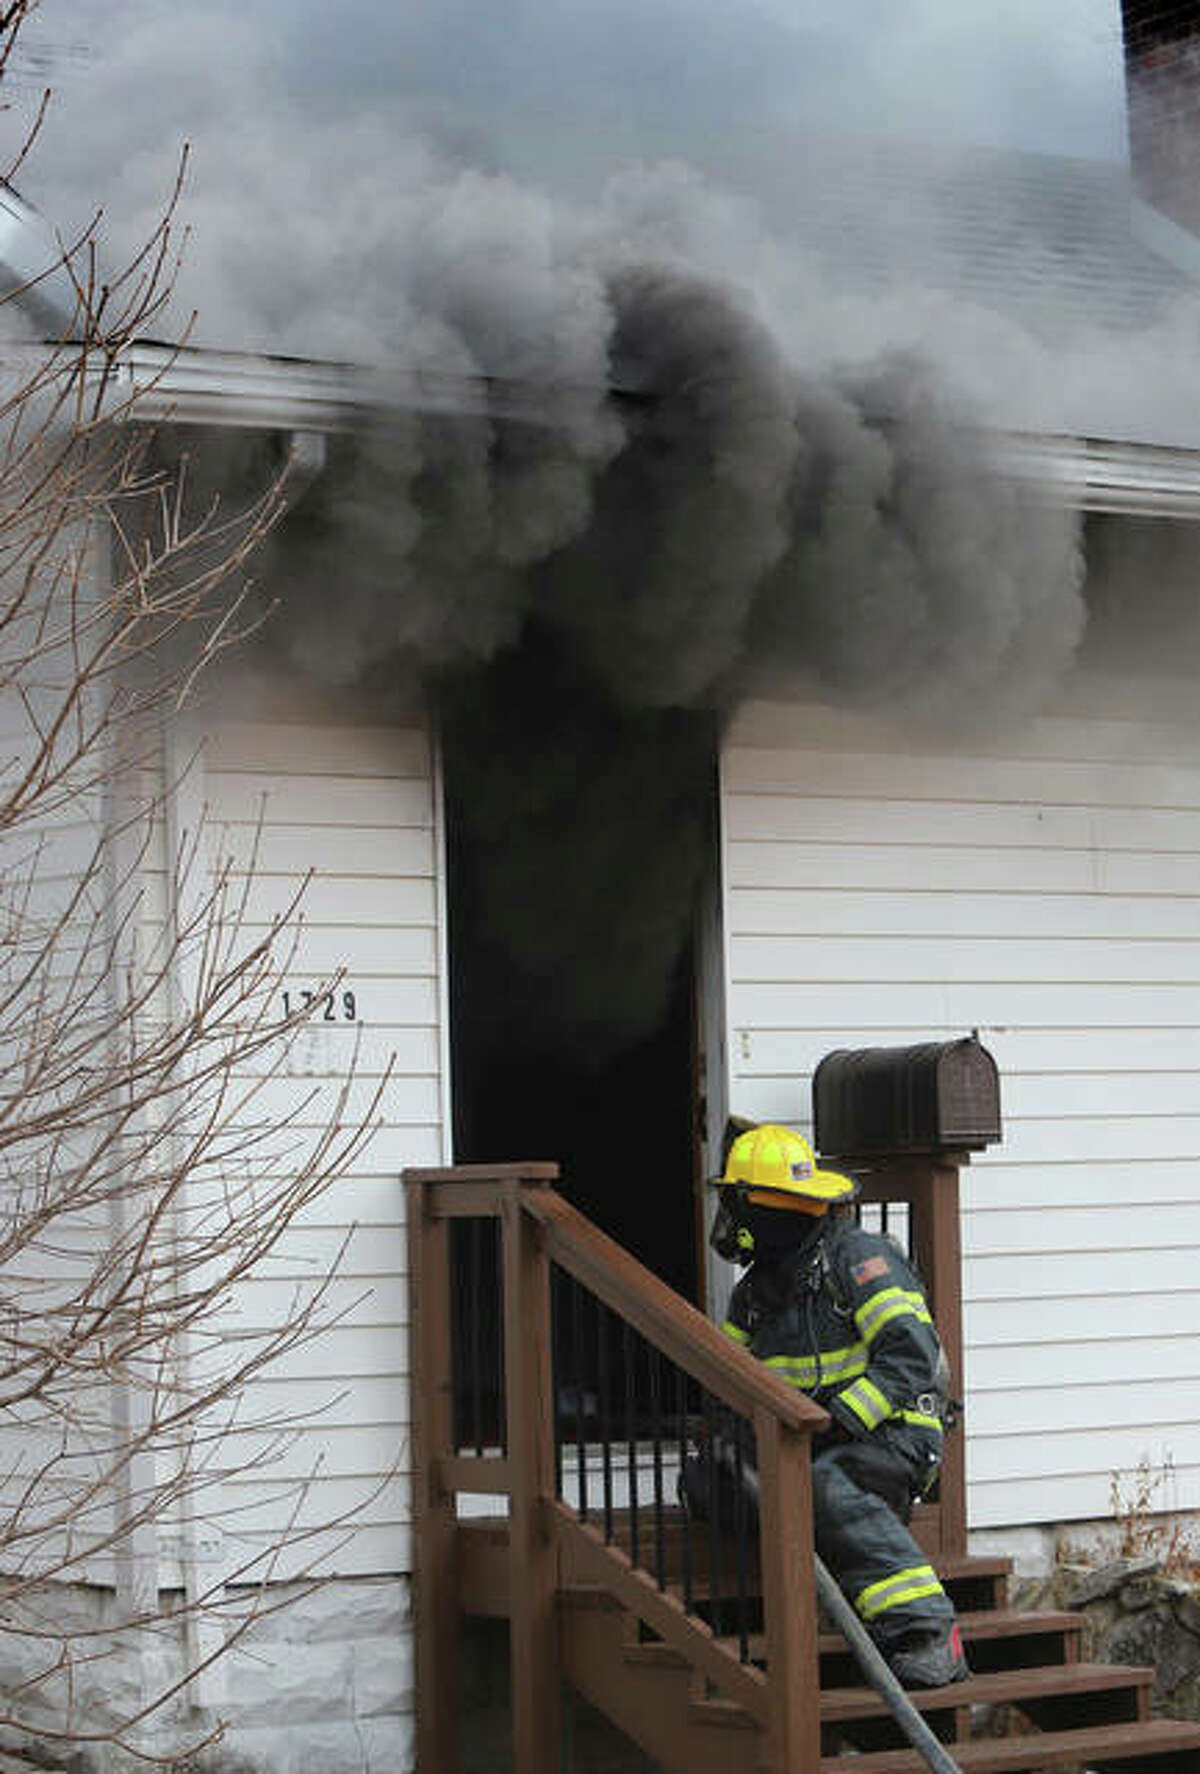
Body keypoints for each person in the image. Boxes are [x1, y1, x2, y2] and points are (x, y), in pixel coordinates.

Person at [709, 1122, 968, 1689]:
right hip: (813, 1442)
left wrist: (841, 1422)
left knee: (826, 1484)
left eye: (739, 1204)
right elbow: (727, 1374)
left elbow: (910, 1355)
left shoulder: (859, 1260)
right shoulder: (755, 1294)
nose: (734, 1221)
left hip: (895, 1432)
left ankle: (928, 1629)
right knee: (710, 1484)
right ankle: (839, 1597)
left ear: (774, 1208)